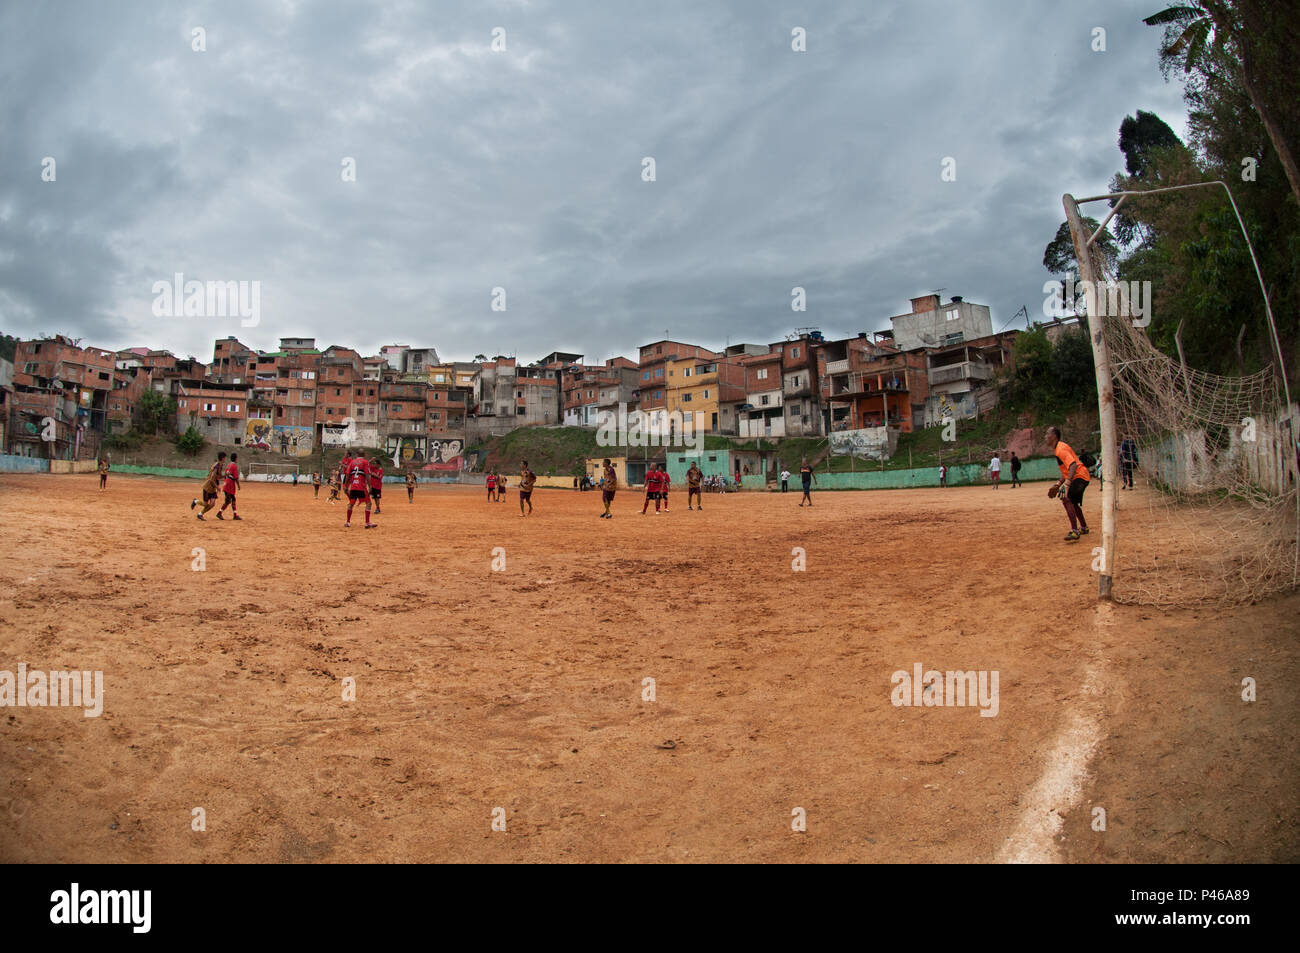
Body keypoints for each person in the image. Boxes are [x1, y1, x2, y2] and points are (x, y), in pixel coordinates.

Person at [1046, 426, 1090, 542]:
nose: (1045, 437)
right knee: (1072, 502)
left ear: (1054, 436)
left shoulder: (1061, 449)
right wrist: (1058, 484)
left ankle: (1075, 531)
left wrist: (1067, 483)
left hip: (1079, 476)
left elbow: (1073, 466)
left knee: (1066, 499)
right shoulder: (1058, 449)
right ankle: (1084, 527)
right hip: (1079, 476)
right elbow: (1066, 470)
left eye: (1047, 434)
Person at [193, 451, 226, 520]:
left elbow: (218, 476)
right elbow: (211, 479)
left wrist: (225, 475)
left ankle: (200, 514)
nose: (225, 459)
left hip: (213, 487)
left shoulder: (220, 465)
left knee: (212, 504)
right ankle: (195, 501)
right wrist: (217, 487)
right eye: (225, 458)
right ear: (223, 458)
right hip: (208, 487)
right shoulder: (216, 467)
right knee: (205, 504)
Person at [344, 453, 375, 529]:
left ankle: (348, 522)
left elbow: (348, 474)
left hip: (353, 486)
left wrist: (345, 485)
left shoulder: (352, 462)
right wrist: (370, 486)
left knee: (351, 504)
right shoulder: (365, 462)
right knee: (368, 503)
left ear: (356, 455)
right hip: (361, 487)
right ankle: (367, 523)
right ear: (364, 455)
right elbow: (367, 474)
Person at [217, 452, 242, 520]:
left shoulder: (228, 465)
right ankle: (220, 513)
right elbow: (236, 477)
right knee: (229, 500)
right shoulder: (234, 466)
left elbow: (225, 474)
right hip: (230, 484)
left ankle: (234, 514)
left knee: (231, 499)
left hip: (226, 483)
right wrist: (238, 485)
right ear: (236, 459)